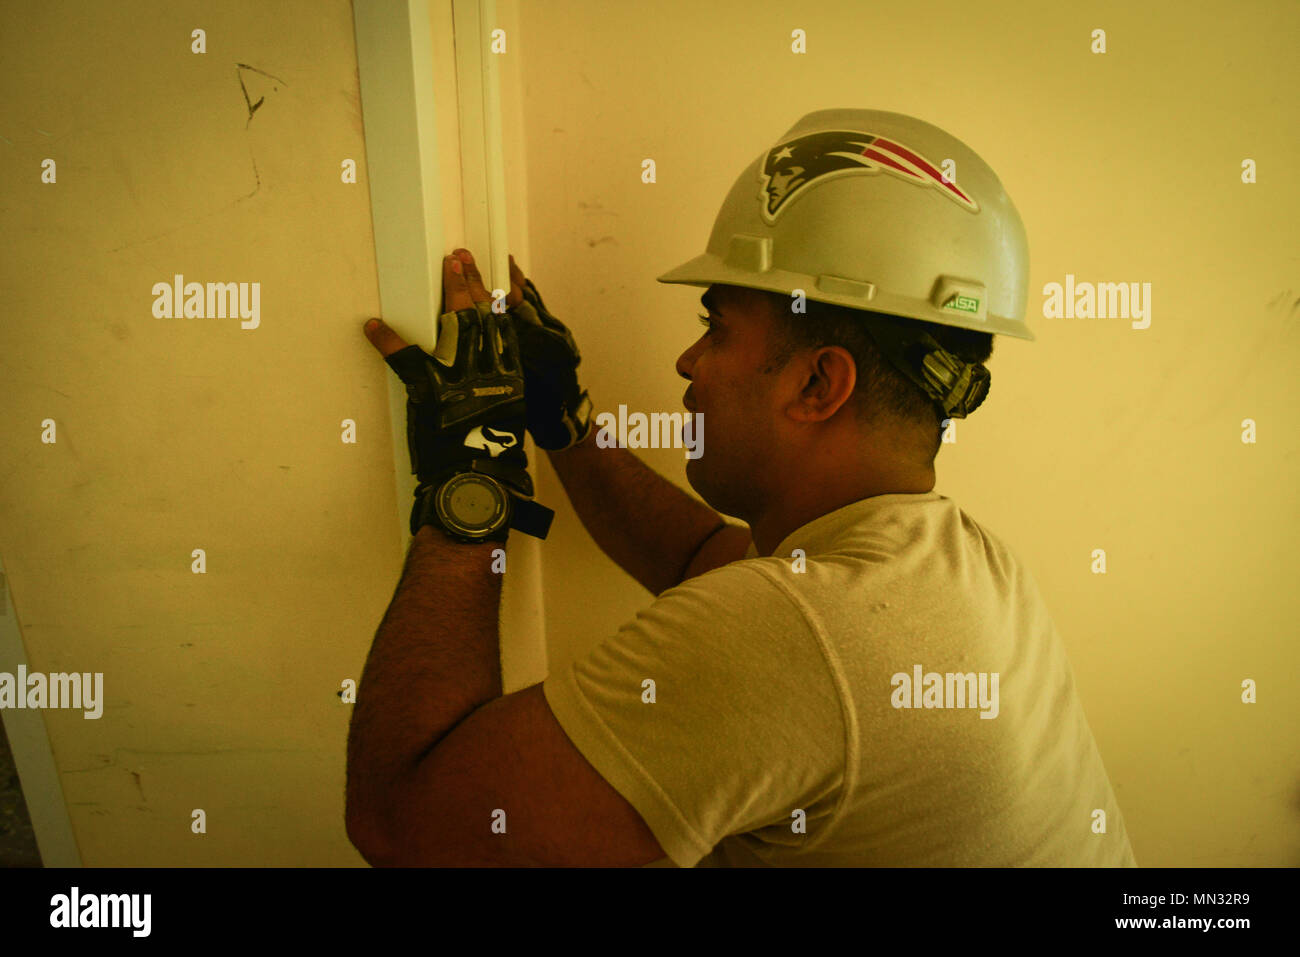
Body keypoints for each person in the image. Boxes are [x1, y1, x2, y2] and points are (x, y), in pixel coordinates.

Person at [347, 109, 1137, 867]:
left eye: (716, 326)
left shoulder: (798, 637)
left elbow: (403, 826)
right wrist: (563, 424)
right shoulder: (959, 563)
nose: (690, 361)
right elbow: (701, 555)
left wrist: (470, 479)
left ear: (820, 382)